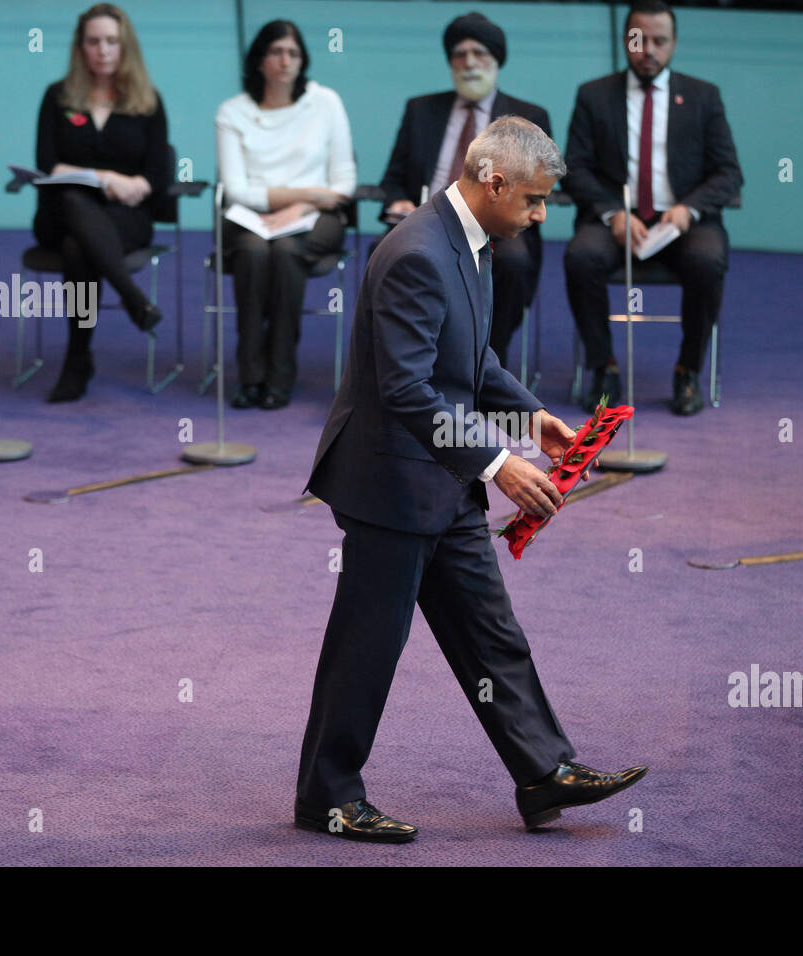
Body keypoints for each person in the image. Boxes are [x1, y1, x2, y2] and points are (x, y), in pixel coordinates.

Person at [295, 116, 647, 843]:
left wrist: (531, 417)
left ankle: (545, 768)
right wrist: (499, 463)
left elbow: (472, 359)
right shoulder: (418, 253)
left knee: (491, 632)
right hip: (389, 484)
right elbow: (408, 392)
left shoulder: (471, 243)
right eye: (534, 200)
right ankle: (327, 797)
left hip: (443, 480)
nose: (542, 214)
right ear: (493, 183)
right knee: (367, 647)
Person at [563, 0, 743, 416]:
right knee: (580, 257)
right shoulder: (594, 95)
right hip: (616, 218)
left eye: (659, 41)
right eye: (639, 40)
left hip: (680, 222)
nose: (649, 50)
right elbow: (575, 168)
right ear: (627, 41)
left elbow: (729, 173)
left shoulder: (703, 97)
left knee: (708, 259)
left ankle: (687, 370)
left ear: (674, 44)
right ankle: (603, 368)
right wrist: (613, 213)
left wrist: (689, 210)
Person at [378, 12, 550, 368]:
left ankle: (486, 361)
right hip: (429, 224)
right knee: (391, 254)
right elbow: (393, 178)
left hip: (497, 227)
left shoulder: (528, 115)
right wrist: (398, 200)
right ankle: (410, 360)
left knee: (515, 261)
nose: (469, 62)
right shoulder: (421, 110)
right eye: (460, 54)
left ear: (497, 60)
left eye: (480, 53)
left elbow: (536, 184)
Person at [33, 3, 170, 403]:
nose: (103, 50)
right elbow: (46, 165)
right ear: (80, 47)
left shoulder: (148, 101)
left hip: (125, 217)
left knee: (81, 248)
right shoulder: (57, 97)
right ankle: (133, 297)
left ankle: (77, 359)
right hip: (59, 213)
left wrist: (135, 186)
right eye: (93, 41)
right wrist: (108, 178)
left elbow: (157, 177)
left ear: (125, 46)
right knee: (75, 204)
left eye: (111, 41)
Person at [216, 21, 356, 410]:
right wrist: (308, 193)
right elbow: (237, 190)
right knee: (255, 252)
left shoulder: (325, 102)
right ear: (259, 60)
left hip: (315, 216)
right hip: (250, 217)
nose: (285, 61)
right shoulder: (233, 112)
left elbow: (343, 183)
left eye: (293, 53)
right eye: (276, 52)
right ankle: (249, 376)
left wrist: (303, 204)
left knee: (286, 252)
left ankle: (279, 375)